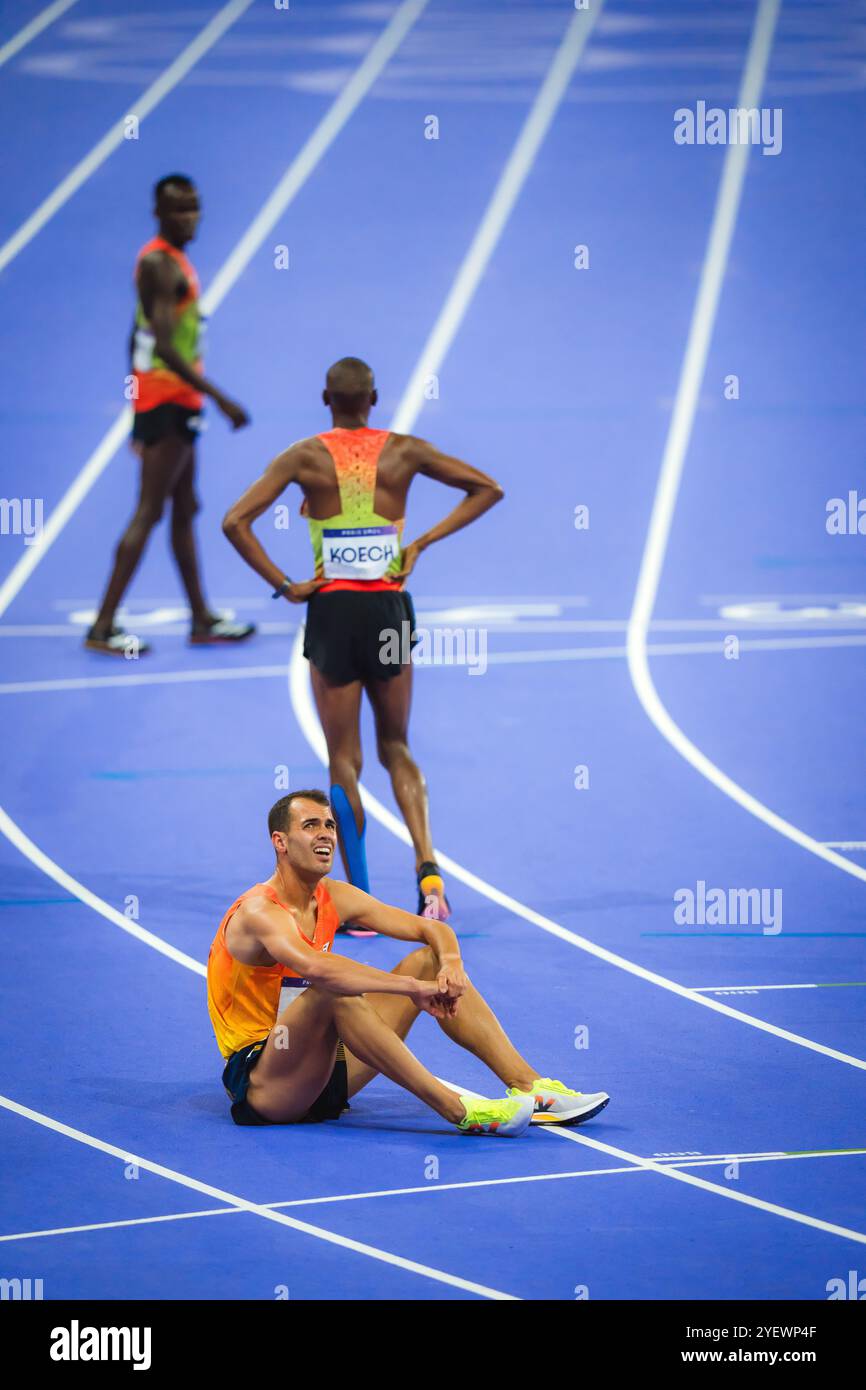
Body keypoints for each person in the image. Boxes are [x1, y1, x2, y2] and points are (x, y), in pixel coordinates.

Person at [222, 357, 503, 926]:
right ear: (373, 398)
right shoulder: (405, 451)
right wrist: (420, 543)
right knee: (396, 747)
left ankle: (358, 900)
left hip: (331, 612)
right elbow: (487, 488)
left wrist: (286, 586)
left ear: (327, 398)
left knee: (343, 763)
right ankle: (429, 878)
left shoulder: (302, 456)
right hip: (388, 611)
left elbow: (234, 522)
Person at [207, 790, 611, 1134]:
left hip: (327, 1072)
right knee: (332, 992)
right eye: (310, 825)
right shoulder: (260, 911)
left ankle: (529, 1087)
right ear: (280, 842)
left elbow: (430, 930)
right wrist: (413, 990)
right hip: (266, 1081)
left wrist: (450, 963)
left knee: (426, 961)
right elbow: (316, 969)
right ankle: (460, 1110)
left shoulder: (333, 895)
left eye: (329, 825)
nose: (326, 834)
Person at [85, 174, 255, 655]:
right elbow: (160, 343)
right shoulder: (161, 265)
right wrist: (219, 398)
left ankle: (201, 619)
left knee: (185, 508)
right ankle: (102, 626)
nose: (190, 218)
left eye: (195, 208)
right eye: (179, 210)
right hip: (168, 401)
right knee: (150, 510)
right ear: (158, 213)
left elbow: (135, 337)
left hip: (170, 401)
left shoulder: (173, 261)